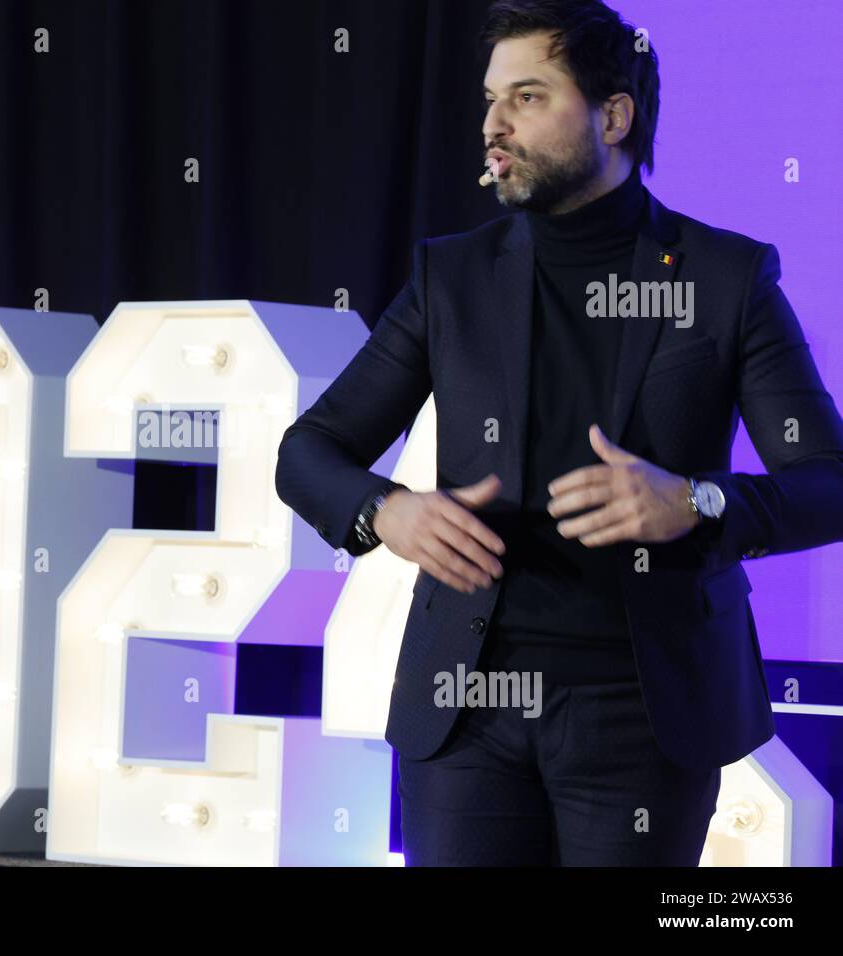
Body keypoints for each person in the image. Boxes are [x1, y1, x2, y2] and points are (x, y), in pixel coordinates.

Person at [274, 0, 843, 865]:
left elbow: (827, 481)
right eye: (491, 100)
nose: (493, 126)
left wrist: (695, 501)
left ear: (613, 117)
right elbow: (308, 451)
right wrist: (386, 511)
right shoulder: (452, 276)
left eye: (529, 97)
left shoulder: (727, 278)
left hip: (646, 714)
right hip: (467, 709)